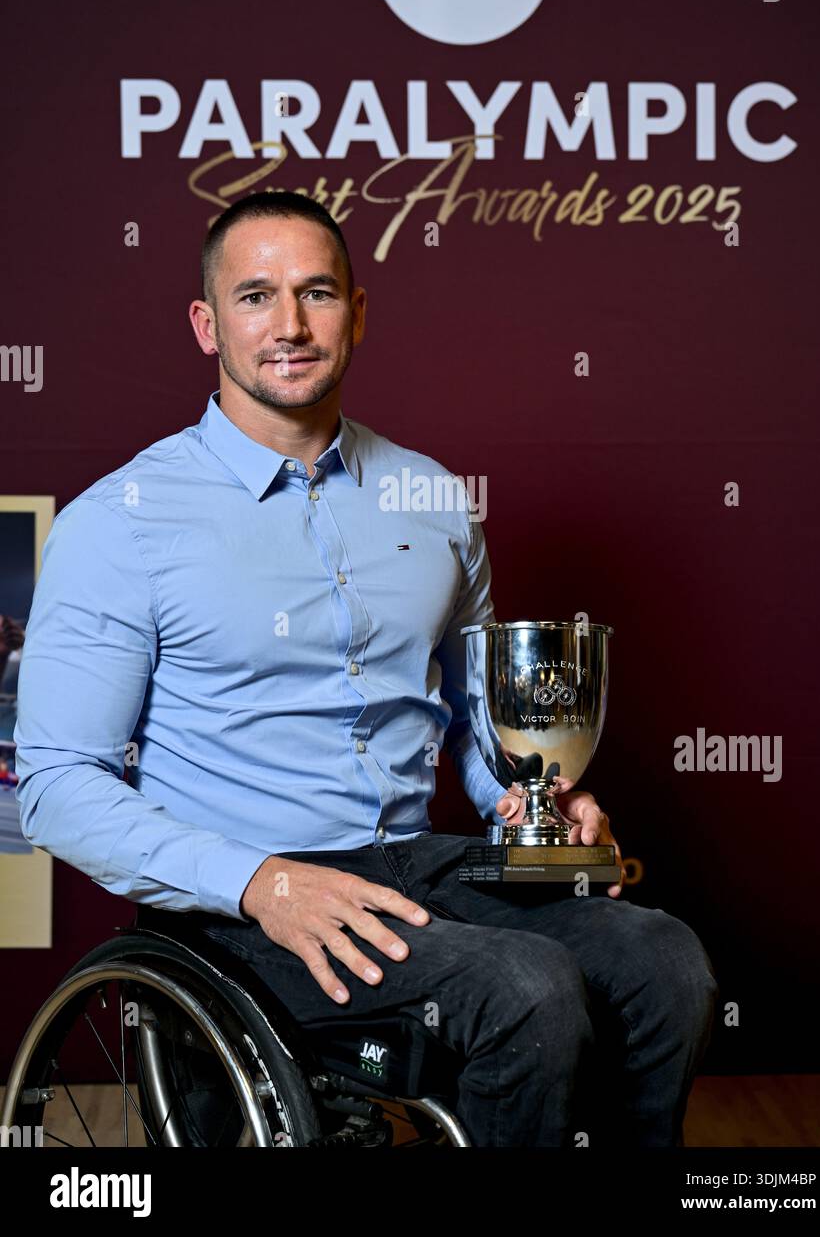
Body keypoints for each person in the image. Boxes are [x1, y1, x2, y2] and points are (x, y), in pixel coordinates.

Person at [14, 192, 717, 1147]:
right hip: (237, 906)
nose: (290, 326)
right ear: (207, 325)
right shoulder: (120, 522)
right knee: (527, 989)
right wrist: (263, 882)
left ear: (357, 312)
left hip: (417, 867)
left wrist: (529, 800)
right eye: (256, 296)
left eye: (316, 293)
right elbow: (57, 785)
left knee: (664, 962)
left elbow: (475, 719)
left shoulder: (432, 498)